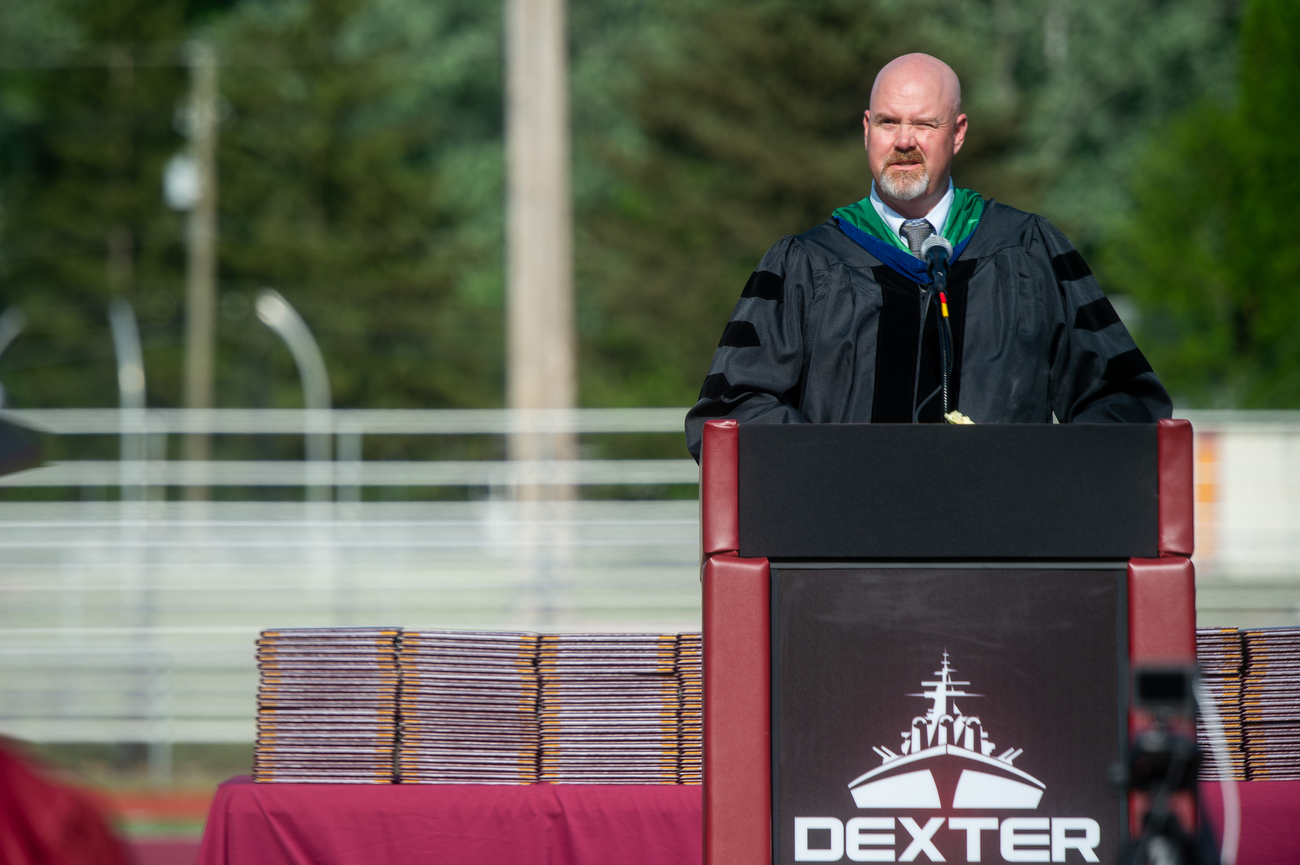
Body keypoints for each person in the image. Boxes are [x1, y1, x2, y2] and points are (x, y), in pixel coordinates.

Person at [684, 53, 1171, 459]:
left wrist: (1038, 472)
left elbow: (1124, 400)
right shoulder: (804, 265)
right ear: (866, 129)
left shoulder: (1028, 251)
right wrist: (833, 466)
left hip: (1002, 548)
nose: (903, 141)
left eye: (924, 124)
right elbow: (732, 411)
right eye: (889, 122)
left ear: (957, 133)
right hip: (849, 552)